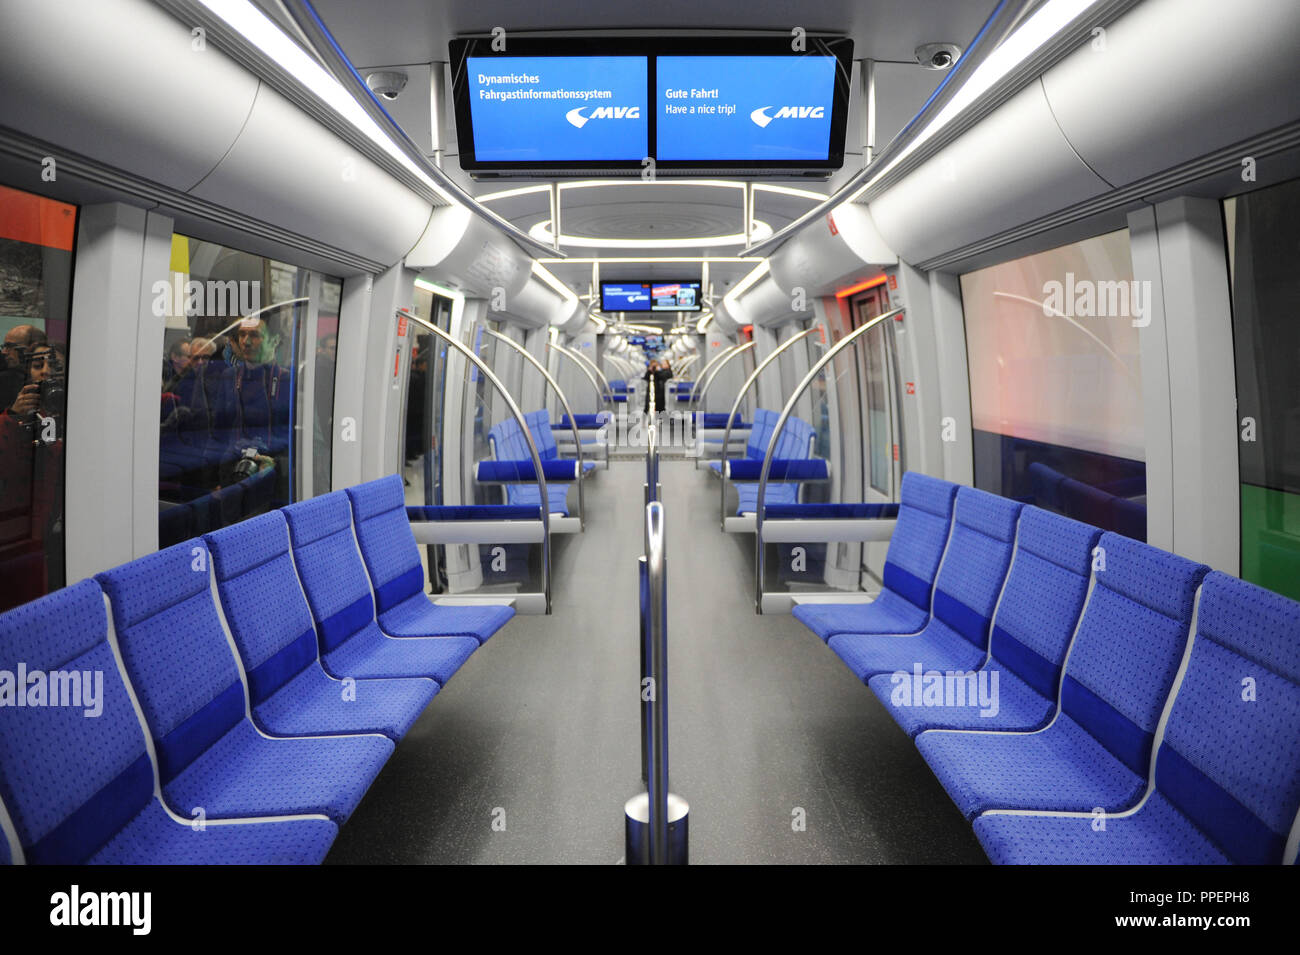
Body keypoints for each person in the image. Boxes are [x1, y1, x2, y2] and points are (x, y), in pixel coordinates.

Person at [0, 340, 66, 611]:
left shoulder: (87, 410)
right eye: (38, 365)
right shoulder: (20, 415)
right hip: (29, 529)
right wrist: (15, 416)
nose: (46, 372)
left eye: (55, 366)